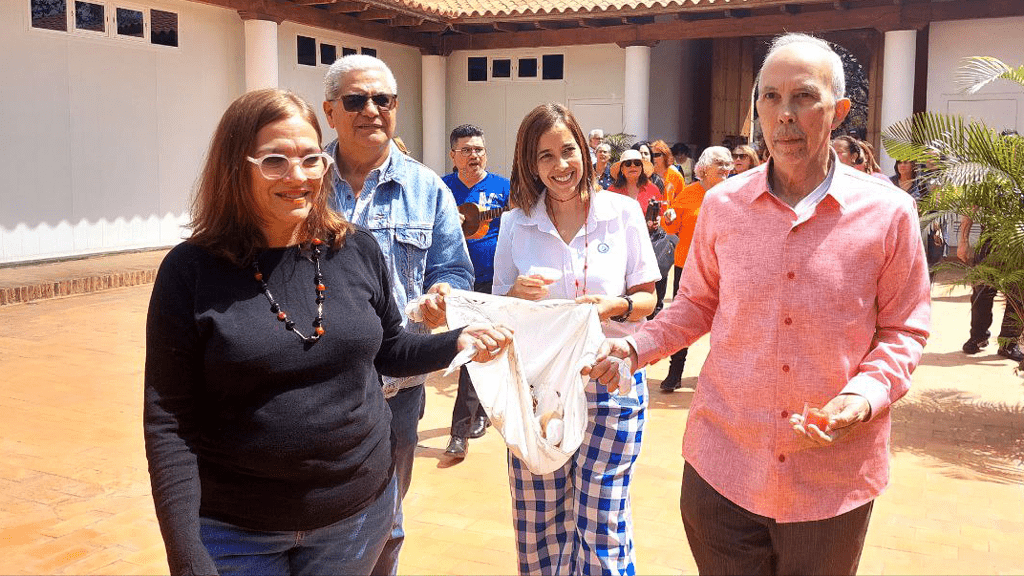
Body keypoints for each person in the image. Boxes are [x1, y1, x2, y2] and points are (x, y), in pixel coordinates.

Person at [586, 33, 931, 575]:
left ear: (838, 111)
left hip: (830, 480)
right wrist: (634, 347)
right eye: (770, 98)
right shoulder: (724, 205)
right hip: (723, 468)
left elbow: (905, 330)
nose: (784, 115)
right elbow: (695, 303)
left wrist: (864, 396)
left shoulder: (889, 214)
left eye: (803, 97)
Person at [144, 89, 510, 576]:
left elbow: (389, 350)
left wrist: (456, 341)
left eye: (310, 159)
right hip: (237, 532)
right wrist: (187, 556)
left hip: (355, 521)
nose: (297, 176)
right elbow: (169, 421)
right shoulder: (190, 271)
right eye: (275, 160)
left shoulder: (354, 250)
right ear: (237, 166)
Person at [321, 54, 475, 574]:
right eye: (355, 100)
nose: (371, 110)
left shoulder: (427, 188)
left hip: (396, 389)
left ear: (396, 108)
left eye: (382, 100)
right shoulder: (305, 185)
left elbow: (455, 269)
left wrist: (440, 296)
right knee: (318, 515)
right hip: (315, 384)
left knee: (387, 517)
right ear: (330, 111)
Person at [493, 103, 660, 575]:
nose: (560, 165)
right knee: (539, 524)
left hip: (610, 385)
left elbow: (648, 300)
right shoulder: (515, 223)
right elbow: (499, 304)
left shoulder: (622, 213)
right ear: (530, 164)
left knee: (601, 523)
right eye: (545, 156)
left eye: (568, 150)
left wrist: (613, 306)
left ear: (585, 151)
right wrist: (514, 293)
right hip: (538, 397)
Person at [441, 124, 512, 459]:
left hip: (493, 281)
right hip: (457, 282)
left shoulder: (502, 187)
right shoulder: (442, 188)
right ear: (454, 155)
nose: (475, 155)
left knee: (473, 350)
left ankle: (459, 433)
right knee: (469, 349)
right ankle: (480, 411)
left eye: (479, 149)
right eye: (467, 149)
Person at [657, 146, 733, 392]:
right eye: (719, 163)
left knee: (727, 320)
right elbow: (671, 229)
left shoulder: (736, 193)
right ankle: (675, 372)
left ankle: (721, 376)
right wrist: (668, 218)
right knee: (683, 318)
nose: (725, 168)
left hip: (726, 266)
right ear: (704, 168)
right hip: (687, 265)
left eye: (727, 163)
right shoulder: (688, 194)